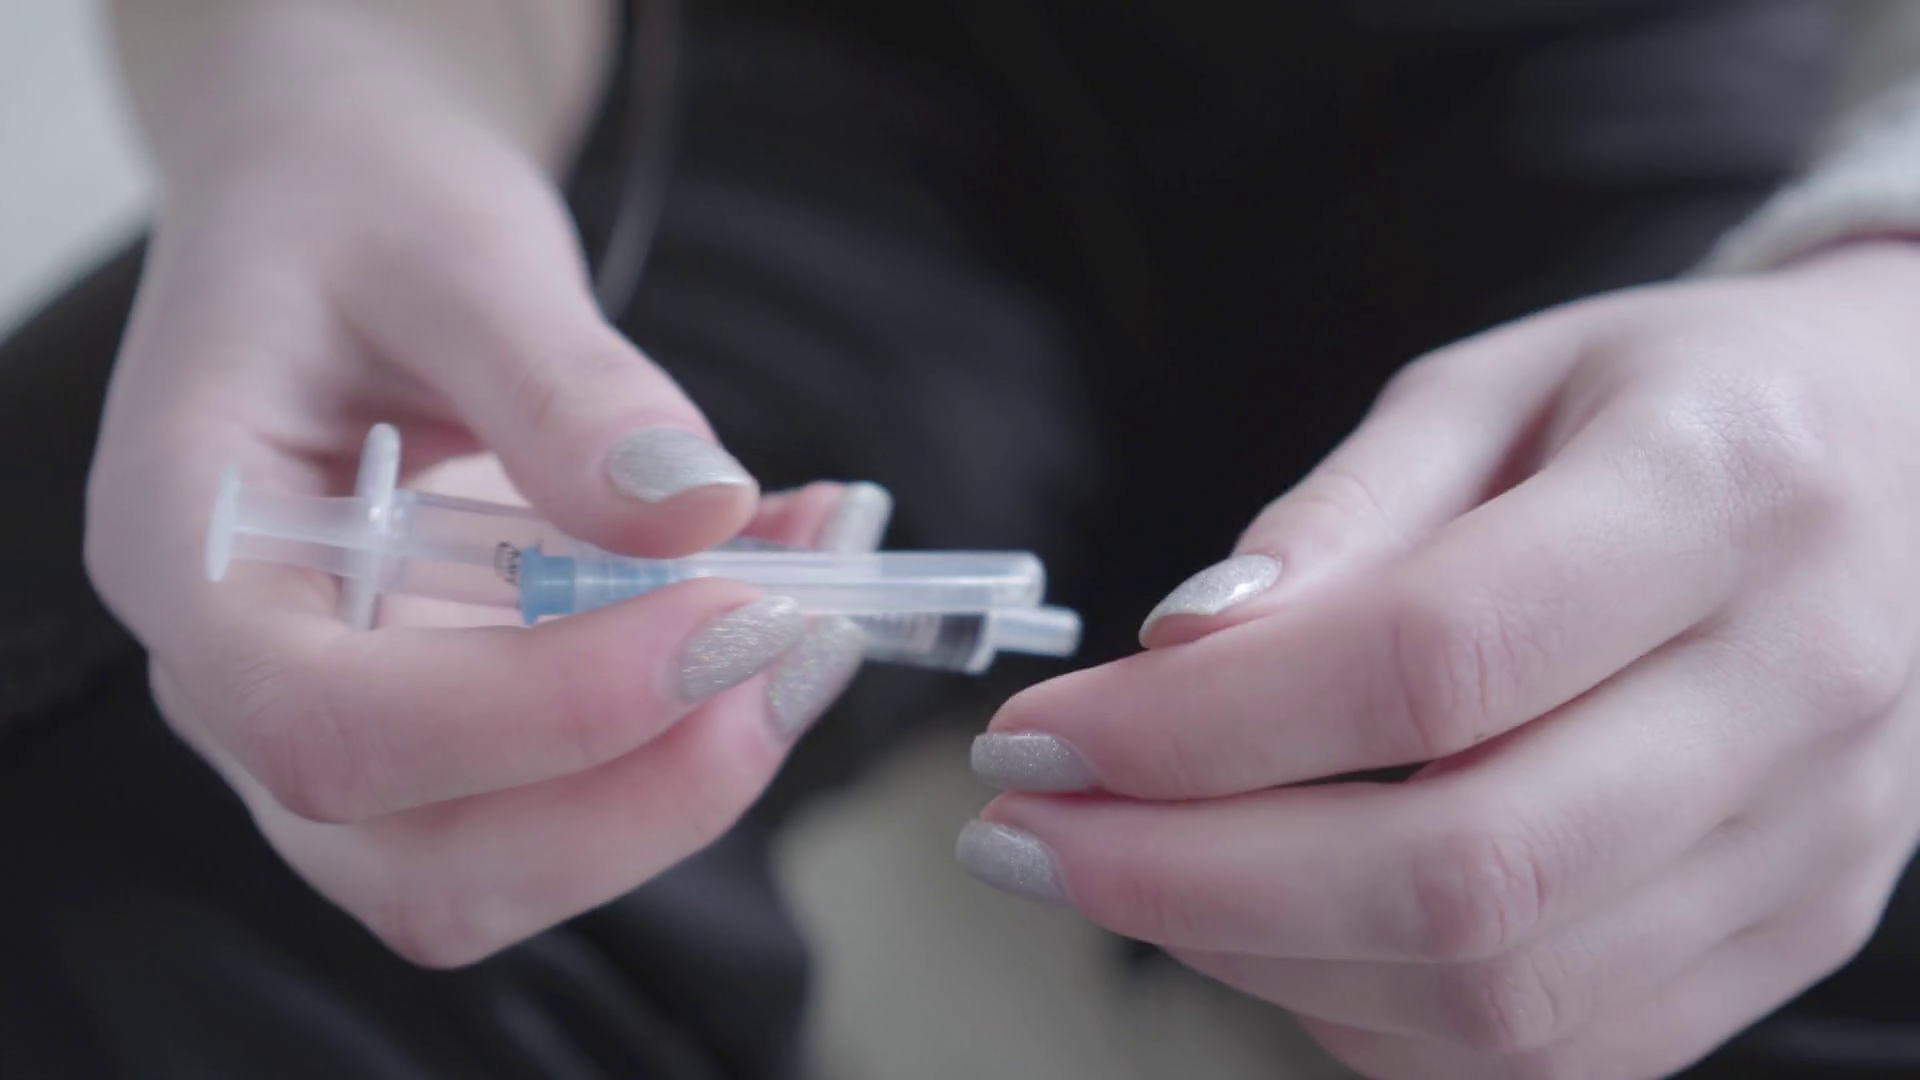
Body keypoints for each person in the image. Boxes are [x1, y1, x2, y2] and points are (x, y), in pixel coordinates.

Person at [2, 0, 1915, 1076]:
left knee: (1799, 766)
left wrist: (1886, 325)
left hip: (1596, 86)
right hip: (763, 66)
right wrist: (335, 100)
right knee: (119, 765)